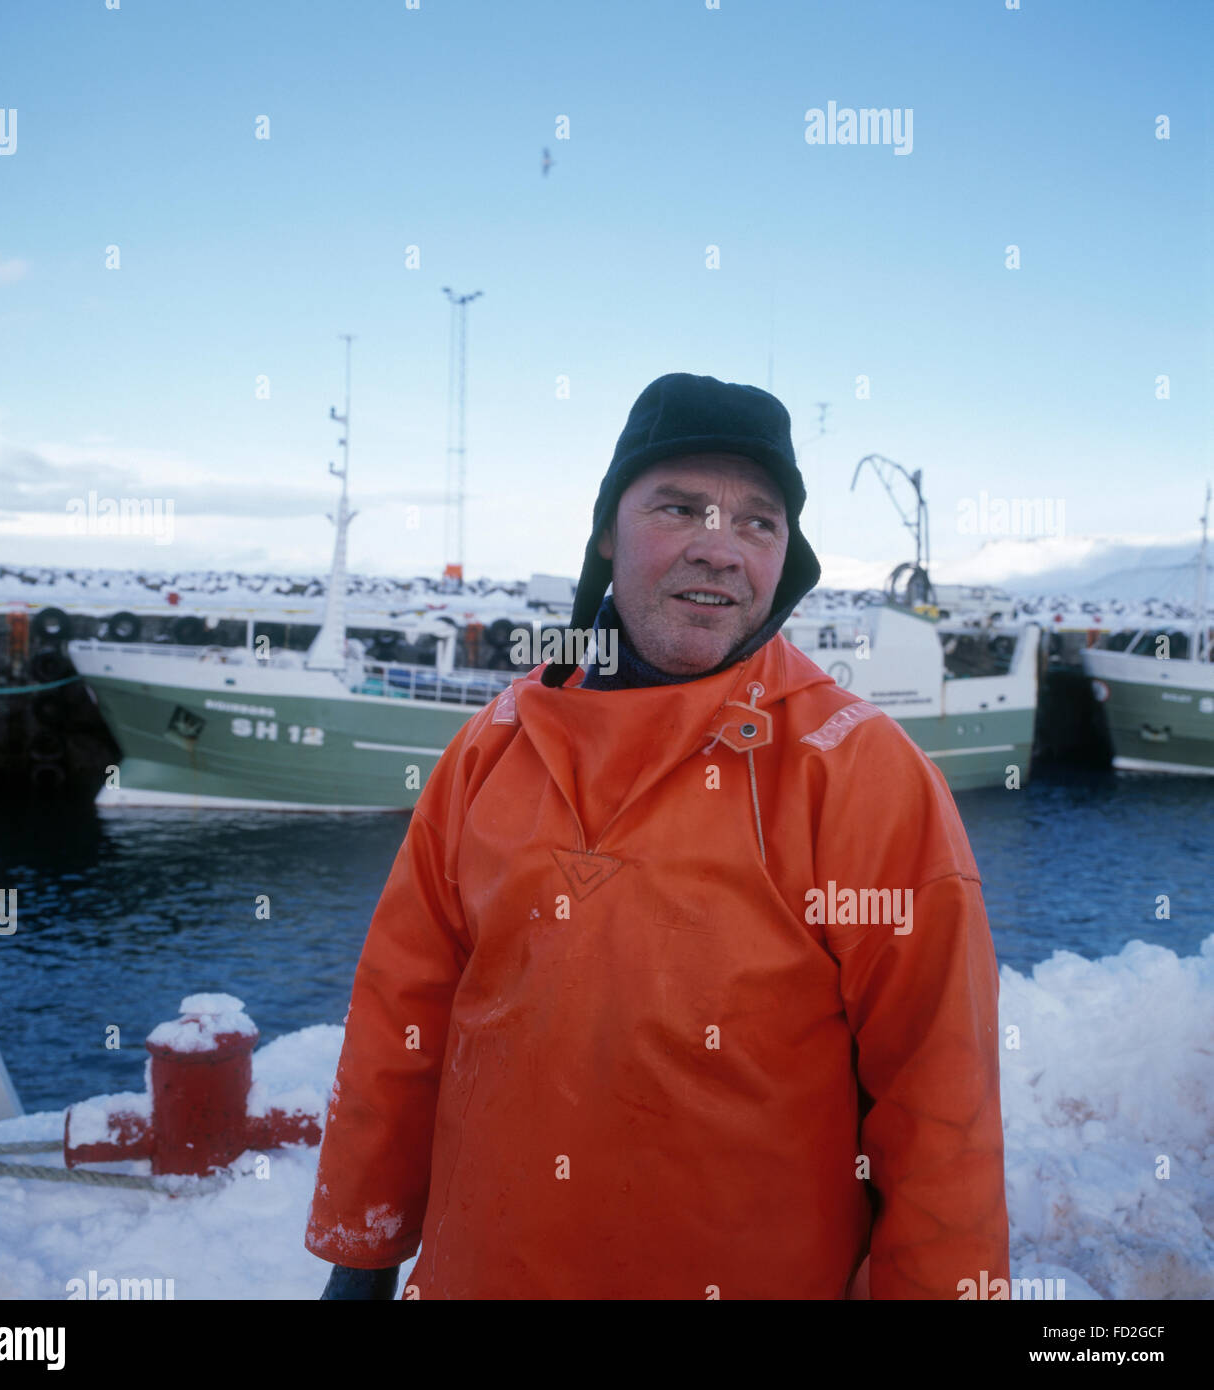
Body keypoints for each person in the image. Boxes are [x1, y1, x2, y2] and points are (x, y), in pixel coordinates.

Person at [307, 372, 1009, 1300]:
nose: (721, 549)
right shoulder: (493, 748)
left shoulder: (859, 773)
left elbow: (940, 1095)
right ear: (607, 532)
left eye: (758, 522)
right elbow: (405, 1011)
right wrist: (364, 1249)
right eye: (680, 507)